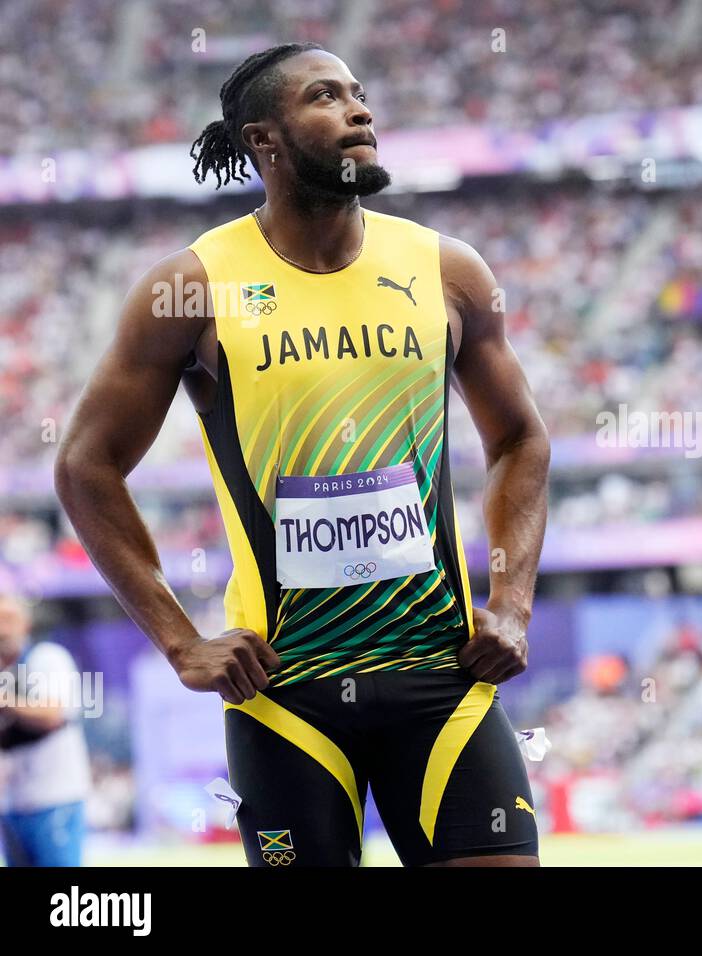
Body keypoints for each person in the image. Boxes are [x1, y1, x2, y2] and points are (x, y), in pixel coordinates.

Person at [55, 43, 551, 867]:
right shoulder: (195, 286)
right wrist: (182, 643)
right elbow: (84, 465)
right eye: (327, 96)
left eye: (361, 93)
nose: (361, 110)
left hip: (442, 677)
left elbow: (520, 437)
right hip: (284, 690)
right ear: (266, 141)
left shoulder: (445, 270)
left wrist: (513, 602)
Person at [0, 594, 92, 867]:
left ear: (25, 624)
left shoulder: (47, 659)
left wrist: (5, 701)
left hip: (55, 797)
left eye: (8, 619)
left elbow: (52, 714)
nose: (2, 629)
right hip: (12, 802)